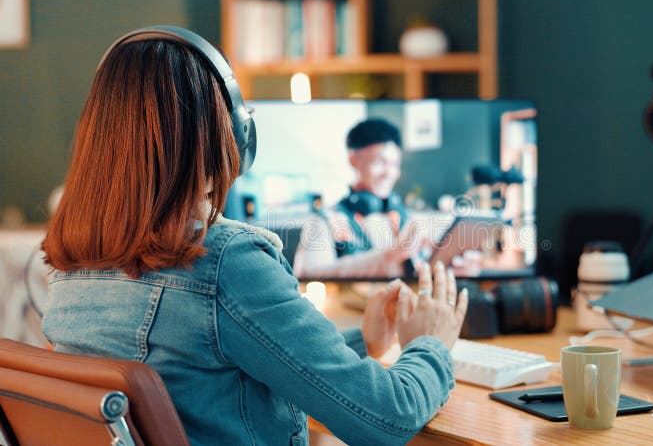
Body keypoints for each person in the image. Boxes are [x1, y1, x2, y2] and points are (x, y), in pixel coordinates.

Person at [40, 26, 467, 446]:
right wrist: (431, 344)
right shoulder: (228, 262)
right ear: (236, 136)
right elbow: (388, 420)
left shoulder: (74, 263)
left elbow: (219, 353)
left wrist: (364, 341)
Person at [293, 118, 434, 278]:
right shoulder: (325, 221)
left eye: (394, 164)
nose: (388, 173)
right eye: (379, 162)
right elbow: (308, 275)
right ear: (353, 160)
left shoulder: (407, 219)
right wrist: (388, 258)